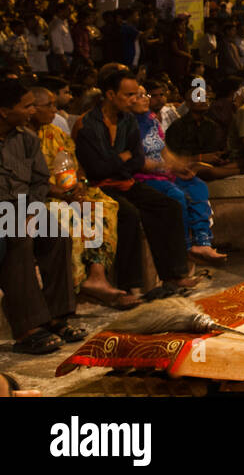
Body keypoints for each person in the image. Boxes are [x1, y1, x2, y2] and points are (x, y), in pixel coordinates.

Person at [75, 66, 194, 293]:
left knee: (168, 206)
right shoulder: (88, 123)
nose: (133, 100)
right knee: (128, 214)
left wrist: (117, 159)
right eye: (128, 95)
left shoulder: (128, 121)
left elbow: (137, 159)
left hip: (124, 181)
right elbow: (96, 168)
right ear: (110, 95)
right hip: (99, 186)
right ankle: (132, 287)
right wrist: (121, 158)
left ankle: (174, 275)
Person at [29, 86, 135, 309]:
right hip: (42, 196)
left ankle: (97, 274)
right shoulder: (24, 138)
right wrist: (61, 193)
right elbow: (30, 181)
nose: (54, 109)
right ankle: (79, 282)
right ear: (31, 109)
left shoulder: (54, 132)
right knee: (68, 213)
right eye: (48, 105)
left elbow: (74, 165)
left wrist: (80, 184)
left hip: (66, 190)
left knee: (100, 206)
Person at [0, 82, 85, 355]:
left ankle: (55, 316)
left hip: (23, 205)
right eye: (26, 106)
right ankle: (27, 329)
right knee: (18, 238)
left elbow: (38, 181)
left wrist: (29, 210)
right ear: (3, 111)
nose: (32, 110)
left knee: (57, 236)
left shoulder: (27, 138)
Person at [131, 85, 225, 264]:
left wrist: (179, 166)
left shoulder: (151, 120)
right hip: (145, 177)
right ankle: (185, 247)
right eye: (139, 95)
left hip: (164, 172)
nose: (145, 98)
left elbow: (165, 152)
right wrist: (165, 167)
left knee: (197, 186)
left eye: (145, 94)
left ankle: (203, 242)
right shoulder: (128, 124)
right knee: (177, 196)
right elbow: (138, 162)